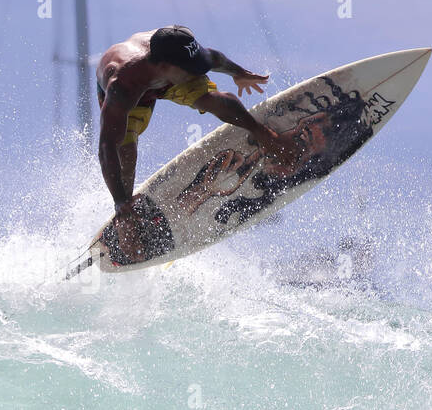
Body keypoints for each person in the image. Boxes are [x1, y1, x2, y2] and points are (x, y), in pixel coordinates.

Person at [95, 25, 309, 261]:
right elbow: (107, 148)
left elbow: (214, 59)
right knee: (124, 149)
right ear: (166, 67)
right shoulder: (122, 85)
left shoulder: (181, 54)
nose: (197, 71)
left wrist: (238, 72)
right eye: (191, 68)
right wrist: (120, 203)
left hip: (168, 77)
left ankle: (264, 135)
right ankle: (126, 220)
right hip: (135, 94)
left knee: (211, 100)